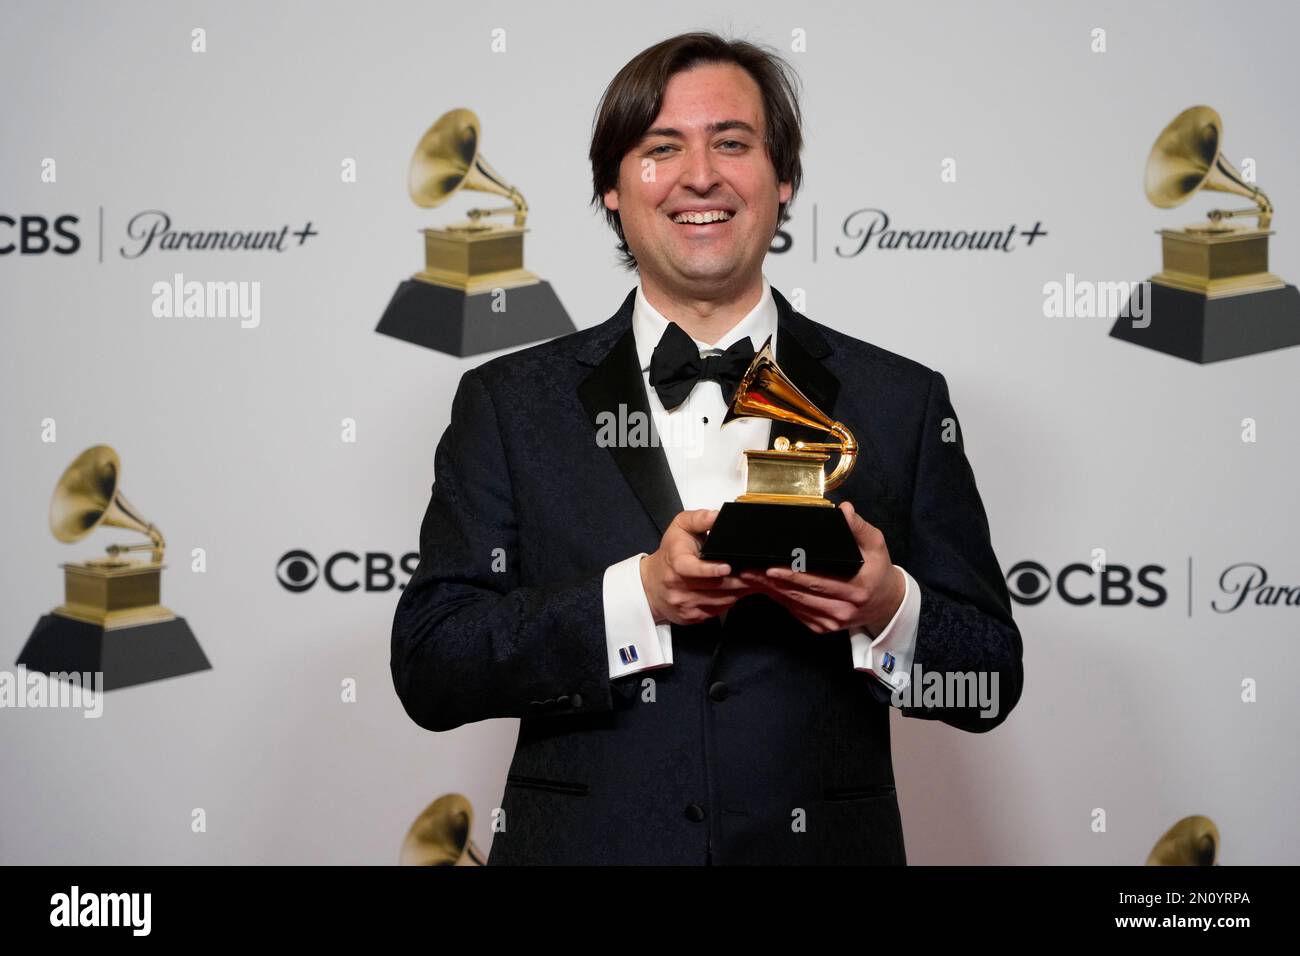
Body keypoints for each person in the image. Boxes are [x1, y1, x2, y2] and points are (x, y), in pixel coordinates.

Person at [390, 31, 1023, 865]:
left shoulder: (902, 401)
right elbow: (433, 667)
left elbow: (990, 684)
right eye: (661, 148)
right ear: (612, 190)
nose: (700, 175)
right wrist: (638, 597)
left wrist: (885, 607)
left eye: (733, 142)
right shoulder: (510, 405)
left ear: (782, 178)